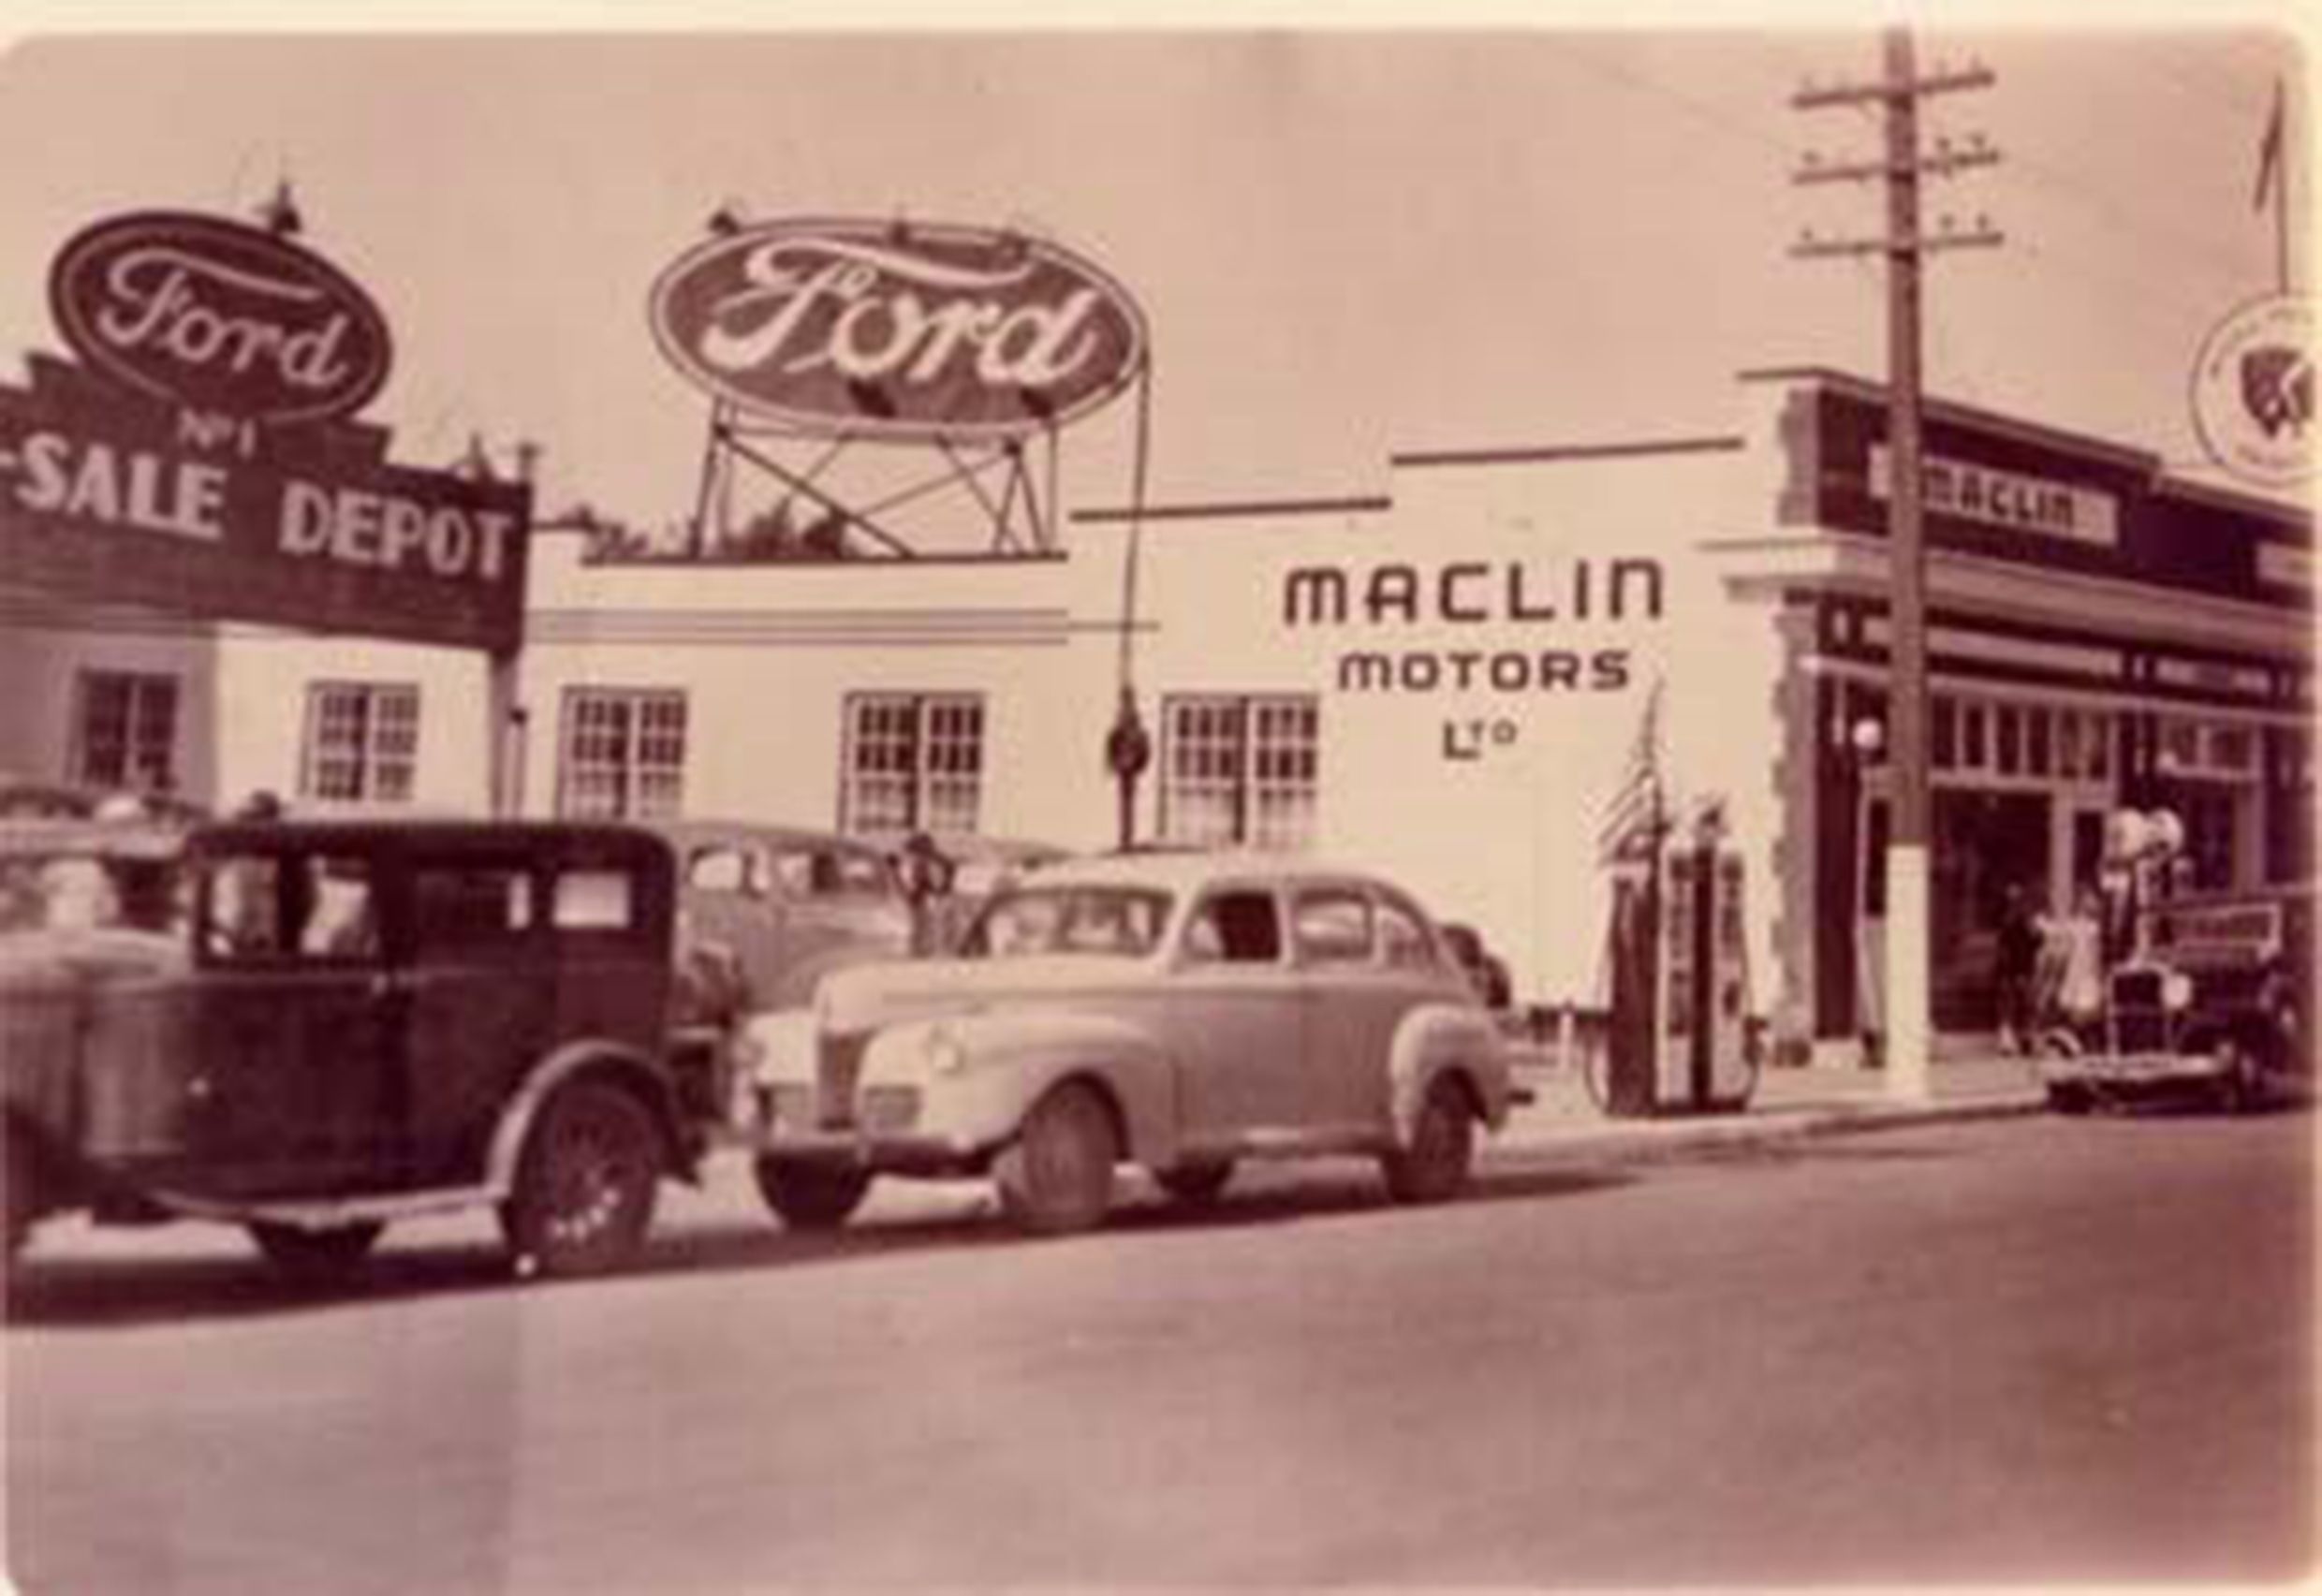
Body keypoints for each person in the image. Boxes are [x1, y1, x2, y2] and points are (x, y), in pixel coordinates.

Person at [1993, 884, 2043, 1055]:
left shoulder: (2016, 919)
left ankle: (2021, 1038)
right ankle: (2021, 1038)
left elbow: (2036, 941)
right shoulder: (2015, 919)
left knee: (2019, 1004)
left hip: (2019, 967)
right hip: (2016, 968)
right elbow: (2035, 941)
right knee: (2019, 1004)